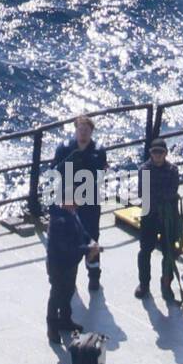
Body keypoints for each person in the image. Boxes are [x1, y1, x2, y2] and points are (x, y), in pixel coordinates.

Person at [52, 115, 109, 291]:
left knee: (92, 239)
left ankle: (94, 276)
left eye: (87, 130)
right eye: (80, 129)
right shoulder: (64, 148)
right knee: (69, 241)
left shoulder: (98, 151)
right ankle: (70, 277)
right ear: (75, 130)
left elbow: (98, 177)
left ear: (91, 132)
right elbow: (55, 173)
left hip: (89, 204)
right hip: (68, 203)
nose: (83, 133)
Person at [136, 138, 183, 302]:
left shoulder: (173, 170)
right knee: (145, 251)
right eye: (154, 152)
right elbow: (143, 193)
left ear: (165, 153)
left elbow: (172, 191)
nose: (157, 155)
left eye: (160, 152)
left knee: (169, 252)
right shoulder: (144, 170)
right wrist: (161, 198)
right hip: (149, 217)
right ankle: (144, 284)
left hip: (168, 219)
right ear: (150, 153)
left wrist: (159, 198)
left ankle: (166, 283)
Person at [45, 201, 99, 343]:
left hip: (70, 263)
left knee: (68, 291)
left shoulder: (72, 214)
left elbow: (82, 232)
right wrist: (88, 249)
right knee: (56, 295)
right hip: (58, 265)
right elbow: (67, 247)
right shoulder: (59, 221)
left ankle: (65, 319)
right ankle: (52, 328)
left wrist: (91, 241)